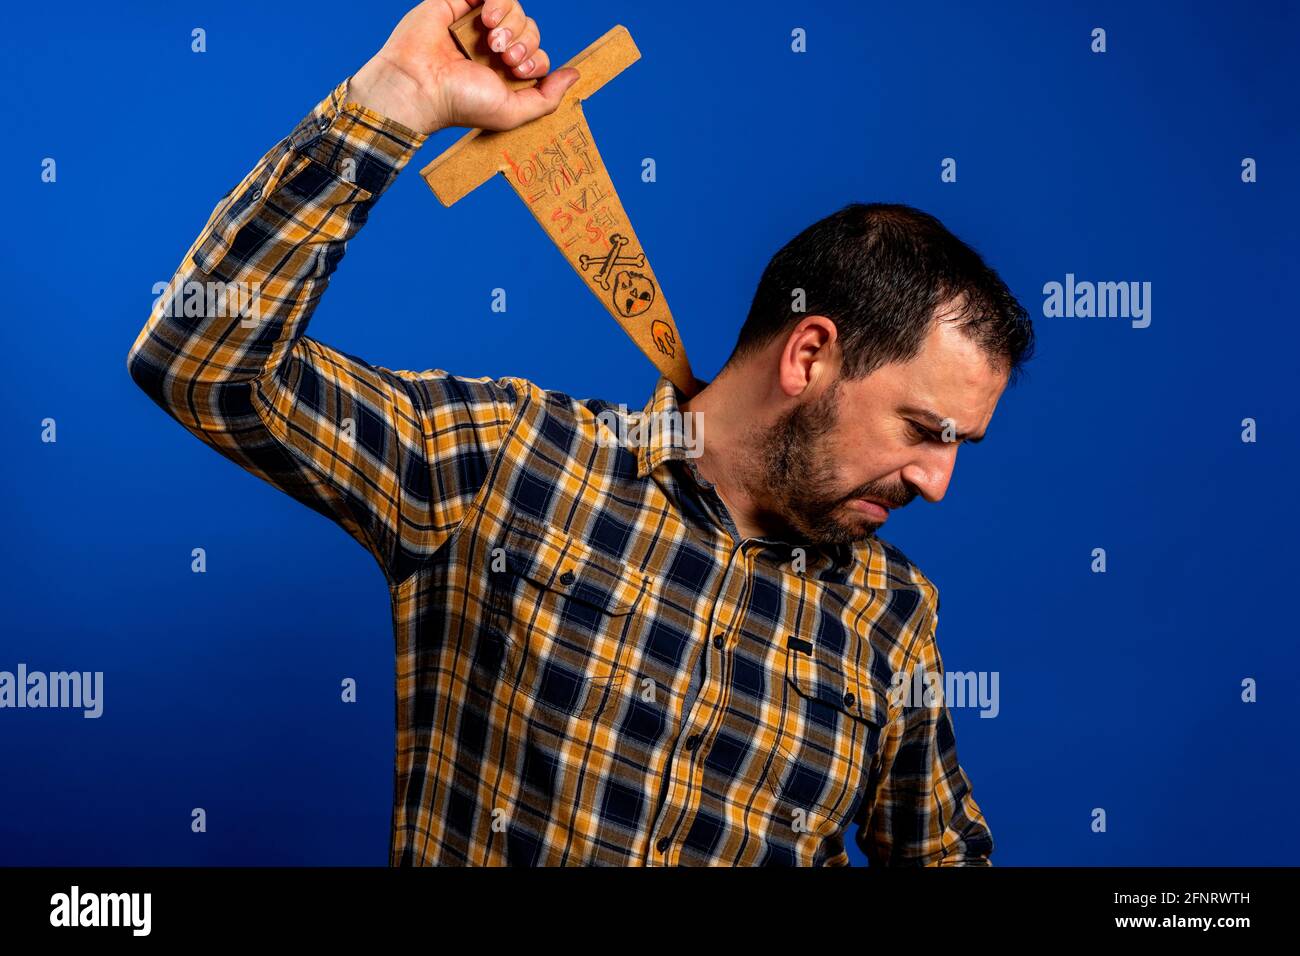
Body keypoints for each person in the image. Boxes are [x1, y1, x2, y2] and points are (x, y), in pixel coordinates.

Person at [128, 0, 1033, 866]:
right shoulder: (505, 460)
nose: (938, 482)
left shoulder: (894, 614)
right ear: (810, 356)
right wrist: (396, 97)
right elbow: (202, 363)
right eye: (925, 428)